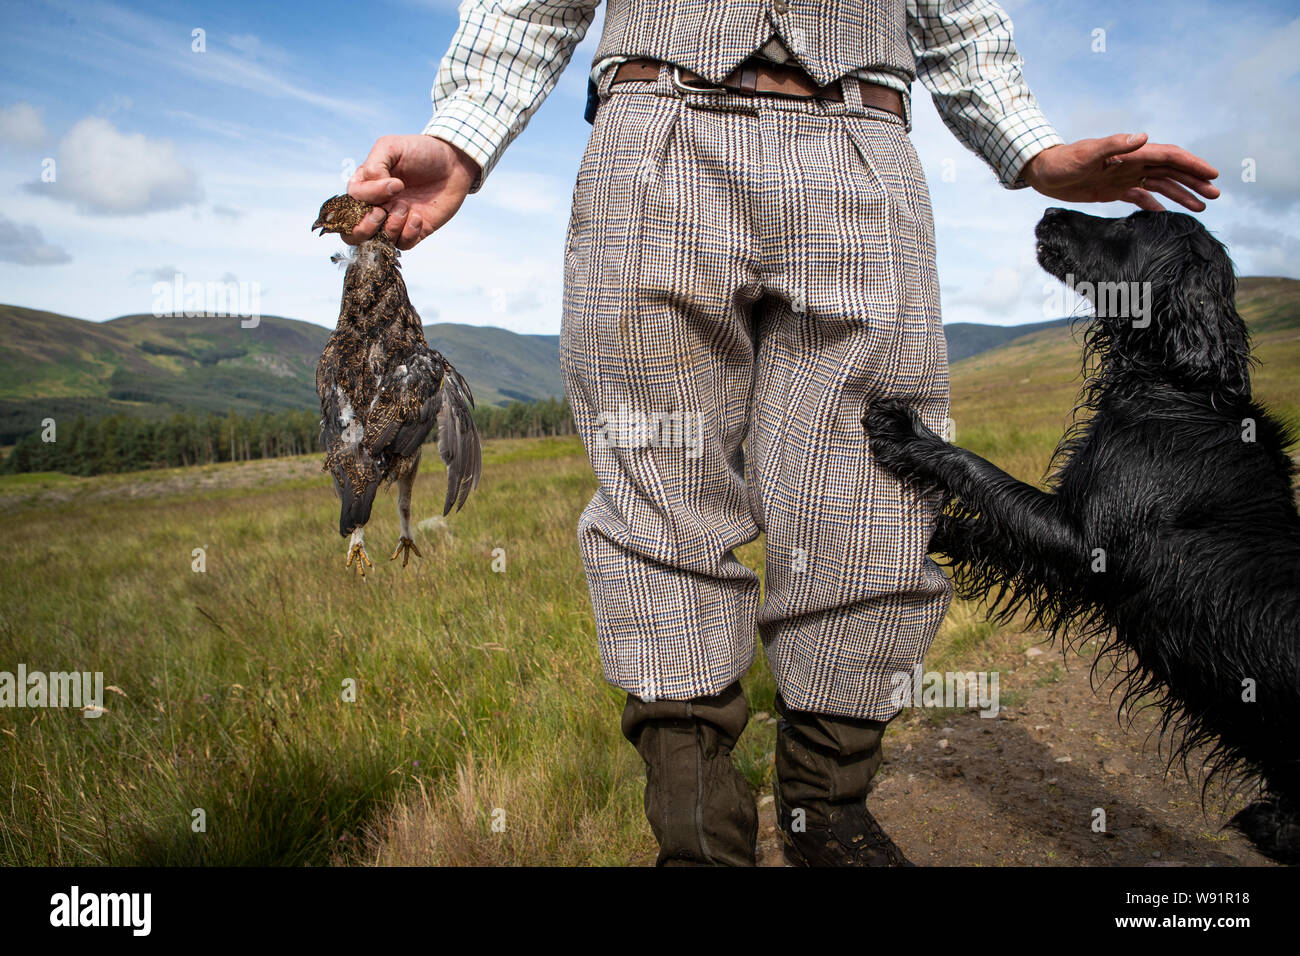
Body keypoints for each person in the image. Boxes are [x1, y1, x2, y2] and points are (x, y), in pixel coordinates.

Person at [345, 0, 1220, 867]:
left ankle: (826, 814)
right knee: (661, 497)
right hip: (652, 135)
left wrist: (1028, 147)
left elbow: (959, 17)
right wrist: (460, 135)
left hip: (864, 148)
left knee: (874, 495)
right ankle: (698, 843)